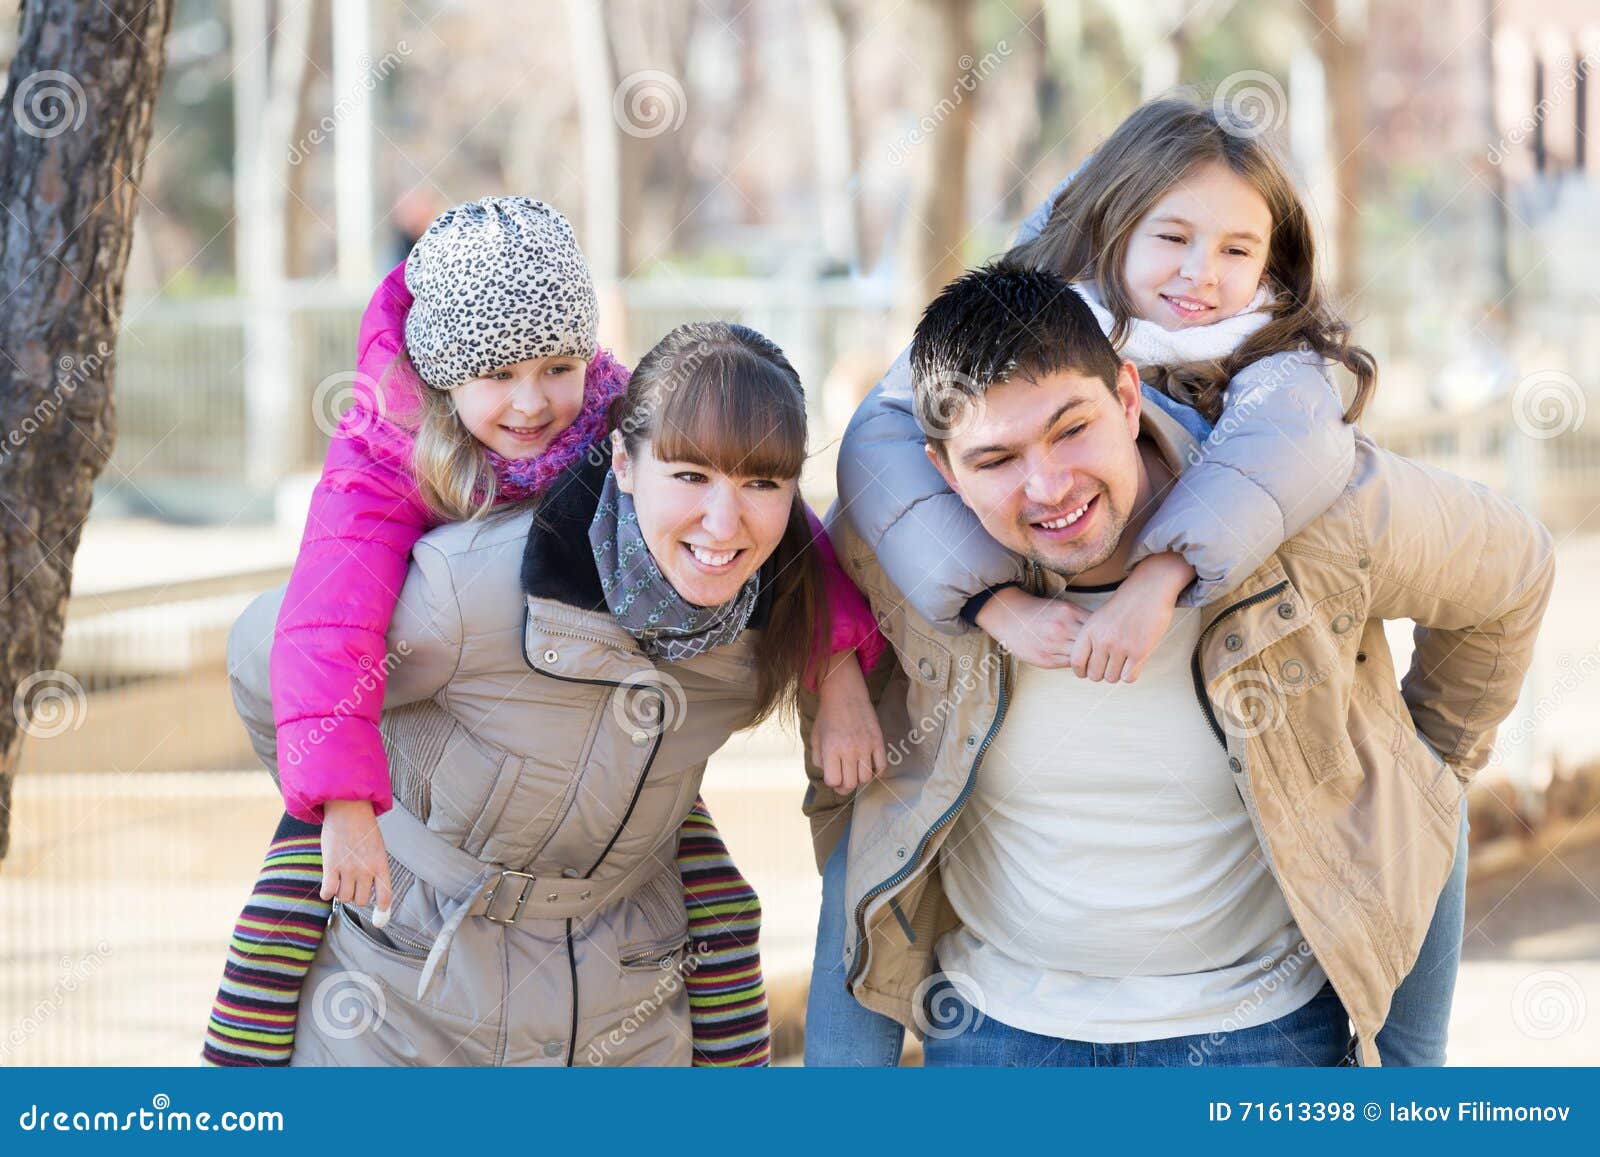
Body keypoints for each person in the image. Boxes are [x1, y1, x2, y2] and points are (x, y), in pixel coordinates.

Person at [806, 95, 1462, 1067]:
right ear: (1109, 229)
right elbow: (872, 459)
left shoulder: (1283, 381)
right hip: (1002, 1020)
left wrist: (1437, 746)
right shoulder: (1007, 346)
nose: (1201, 276)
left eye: (1240, 249)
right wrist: (984, 601)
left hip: (1254, 1026)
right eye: (1173, 238)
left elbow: (1502, 570)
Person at [203, 198, 885, 1067]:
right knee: (306, 869)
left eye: (558, 366)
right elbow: (325, 616)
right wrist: (342, 792)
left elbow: (794, 540)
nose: (533, 403)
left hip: (607, 735)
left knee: (716, 895)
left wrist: (841, 670)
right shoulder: (387, 445)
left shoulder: (612, 410)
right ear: (446, 373)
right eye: (500, 376)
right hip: (403, 728)